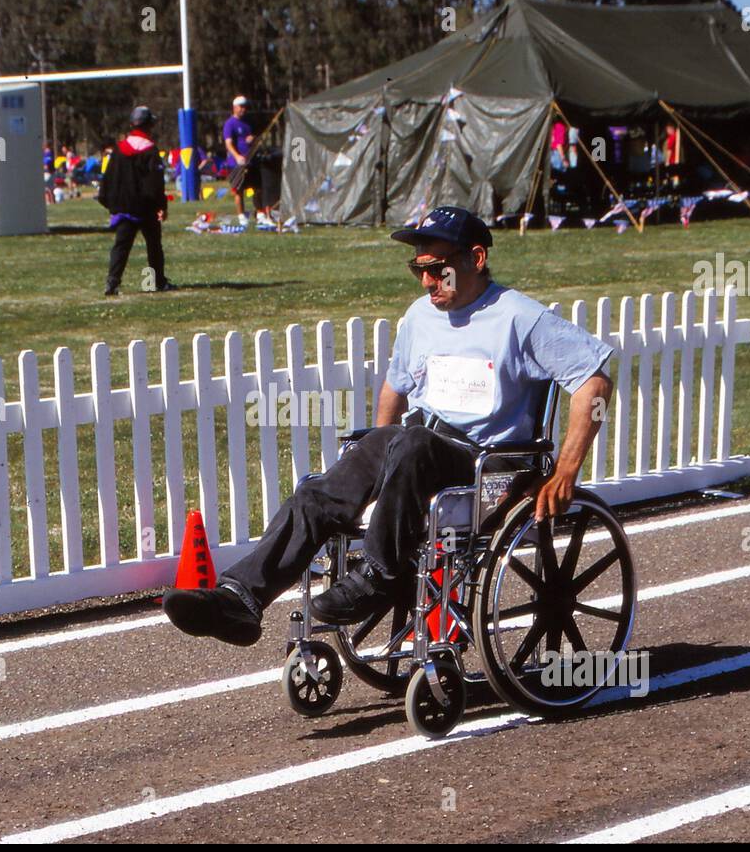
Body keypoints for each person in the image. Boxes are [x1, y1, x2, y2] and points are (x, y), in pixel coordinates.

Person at [162, 205, 615, 647]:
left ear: (476, 259)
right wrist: (381, 454)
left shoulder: (521, 317)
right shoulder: (420, 317)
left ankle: (379, 573)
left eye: (438, 269)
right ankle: (240, 596)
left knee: (414, 441)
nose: (426, 281)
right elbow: (395, 387)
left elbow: (594, 378)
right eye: (418, 269)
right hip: (416, 451)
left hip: (482, 463)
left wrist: (566, 471)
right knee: (318, 492)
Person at [97, 106, 175, 296]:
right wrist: (161, 205)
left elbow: (109, 178)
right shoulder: (150, 150)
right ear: (149, 125)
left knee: (121, 246)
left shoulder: (119, 149)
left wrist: (110, 203)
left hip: (124, 207)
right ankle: (156, 281)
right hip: (145, 207)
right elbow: (155, 182)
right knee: (154, 246)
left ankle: (112, 282)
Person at [223, 95, 257, 226]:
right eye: (241, 107)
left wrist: (252, 139)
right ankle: (241, 215)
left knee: (256, 187)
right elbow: (228, 143)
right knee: (239, 190)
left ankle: (258, 213)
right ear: (234, 108)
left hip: (250, 160)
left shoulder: (248, 123)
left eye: (245, 107)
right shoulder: (230, 124)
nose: (243, 109)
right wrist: (237, 156)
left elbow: (254, 137)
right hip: (236, 163)